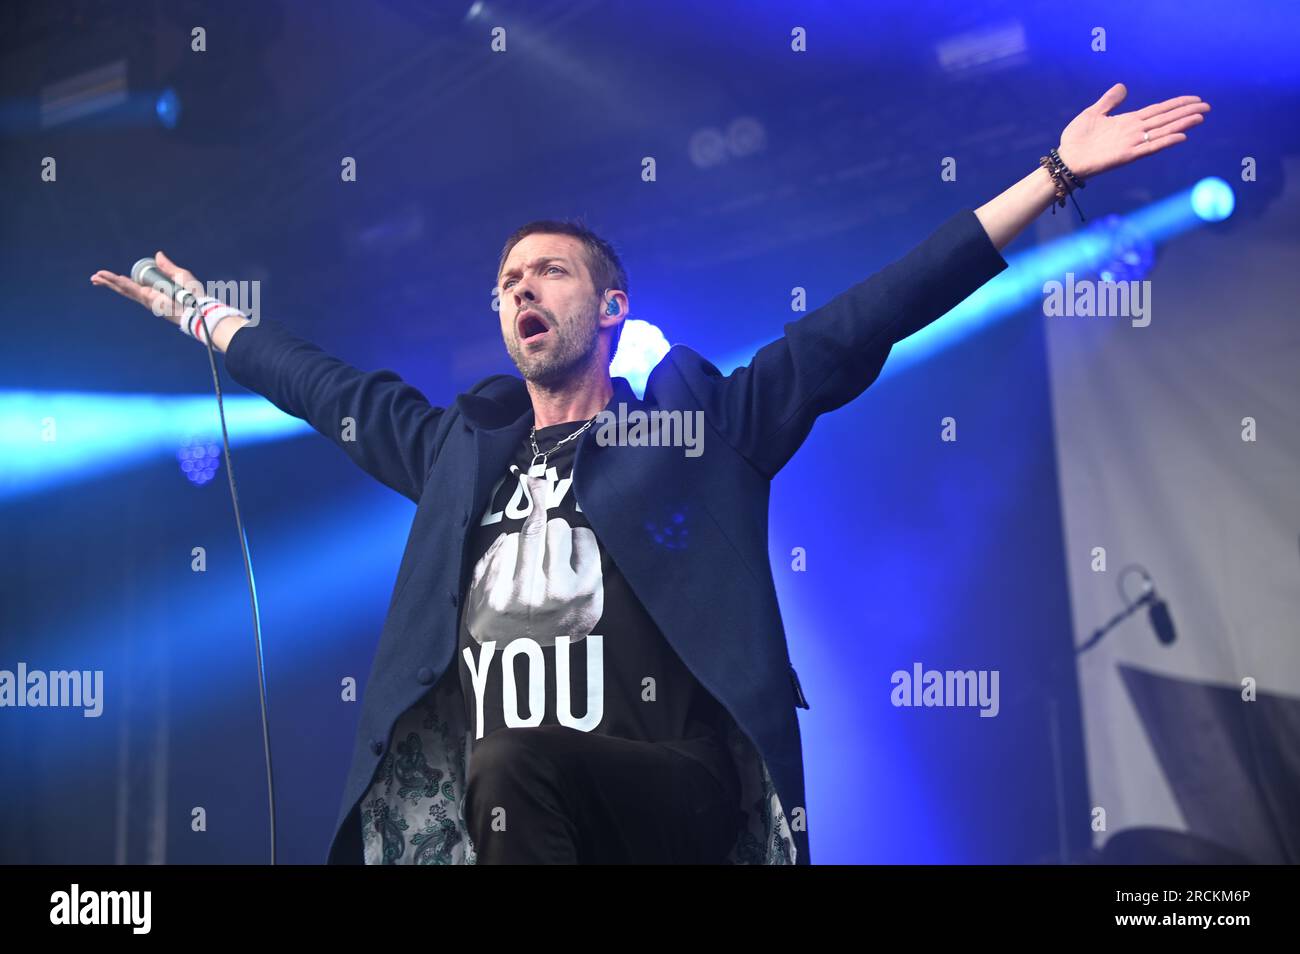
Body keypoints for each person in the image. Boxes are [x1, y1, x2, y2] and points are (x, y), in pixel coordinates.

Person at [92, 84, 1209, 864]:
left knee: (518, 763)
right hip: (509, 823)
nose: (521, 287)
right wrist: (201, 315)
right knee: (503, 780)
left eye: (549, 271)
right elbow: (324, 388)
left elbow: (868, 318)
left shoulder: (699, 429)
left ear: (609, 306)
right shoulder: (455, 453)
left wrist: (1053, 175)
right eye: (507, 279)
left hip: (668, 793)